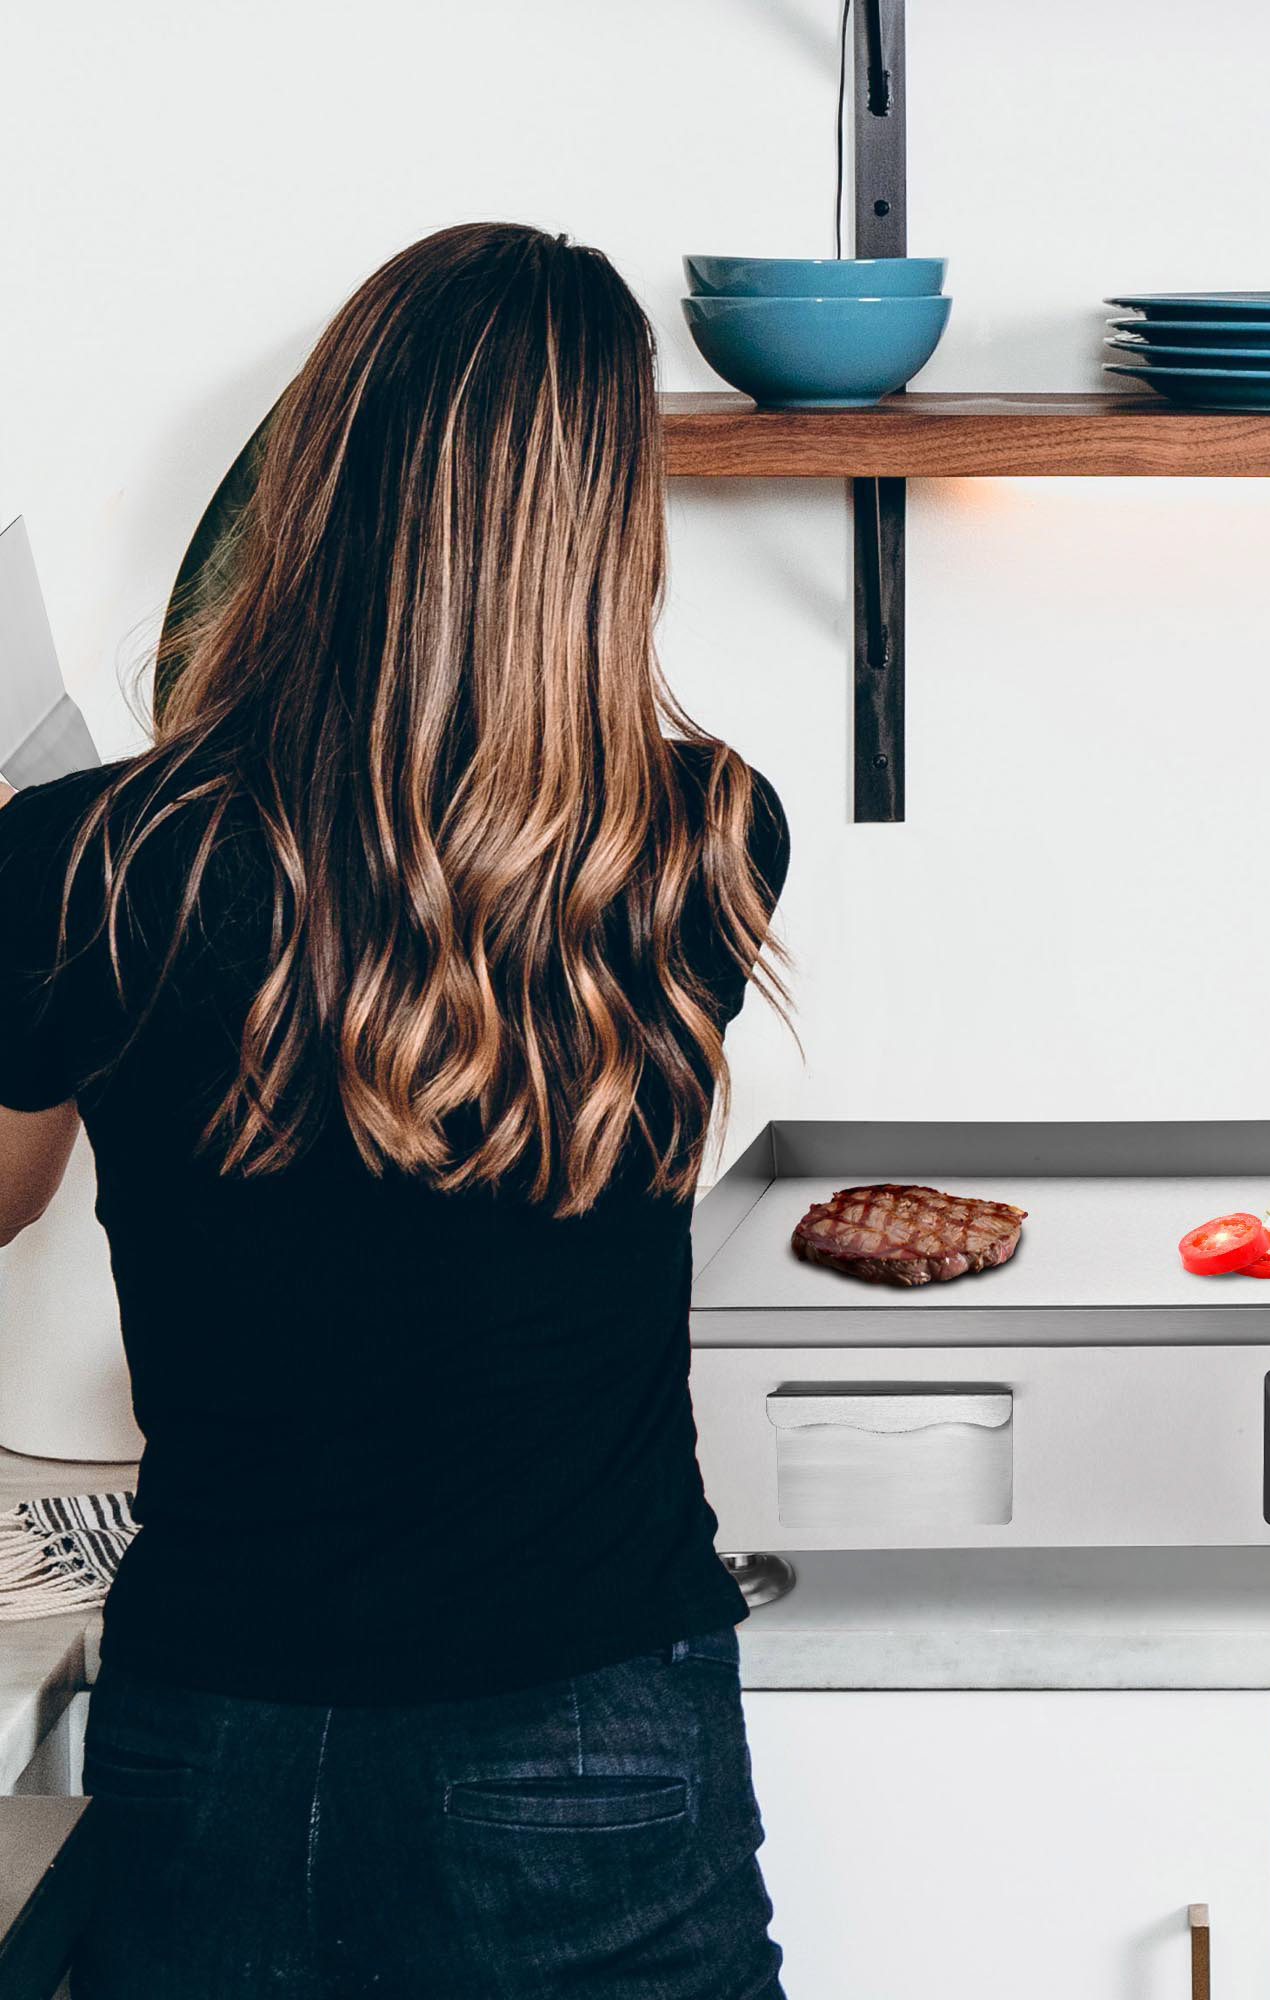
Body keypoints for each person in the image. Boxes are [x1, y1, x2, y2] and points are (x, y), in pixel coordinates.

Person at [0, 222, 790, 1999]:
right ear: (608, 522)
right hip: (593, 1725)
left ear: (317, 470)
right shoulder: (703, 835)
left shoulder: (89, 865)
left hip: (223, 1730)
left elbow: (3, 1194)